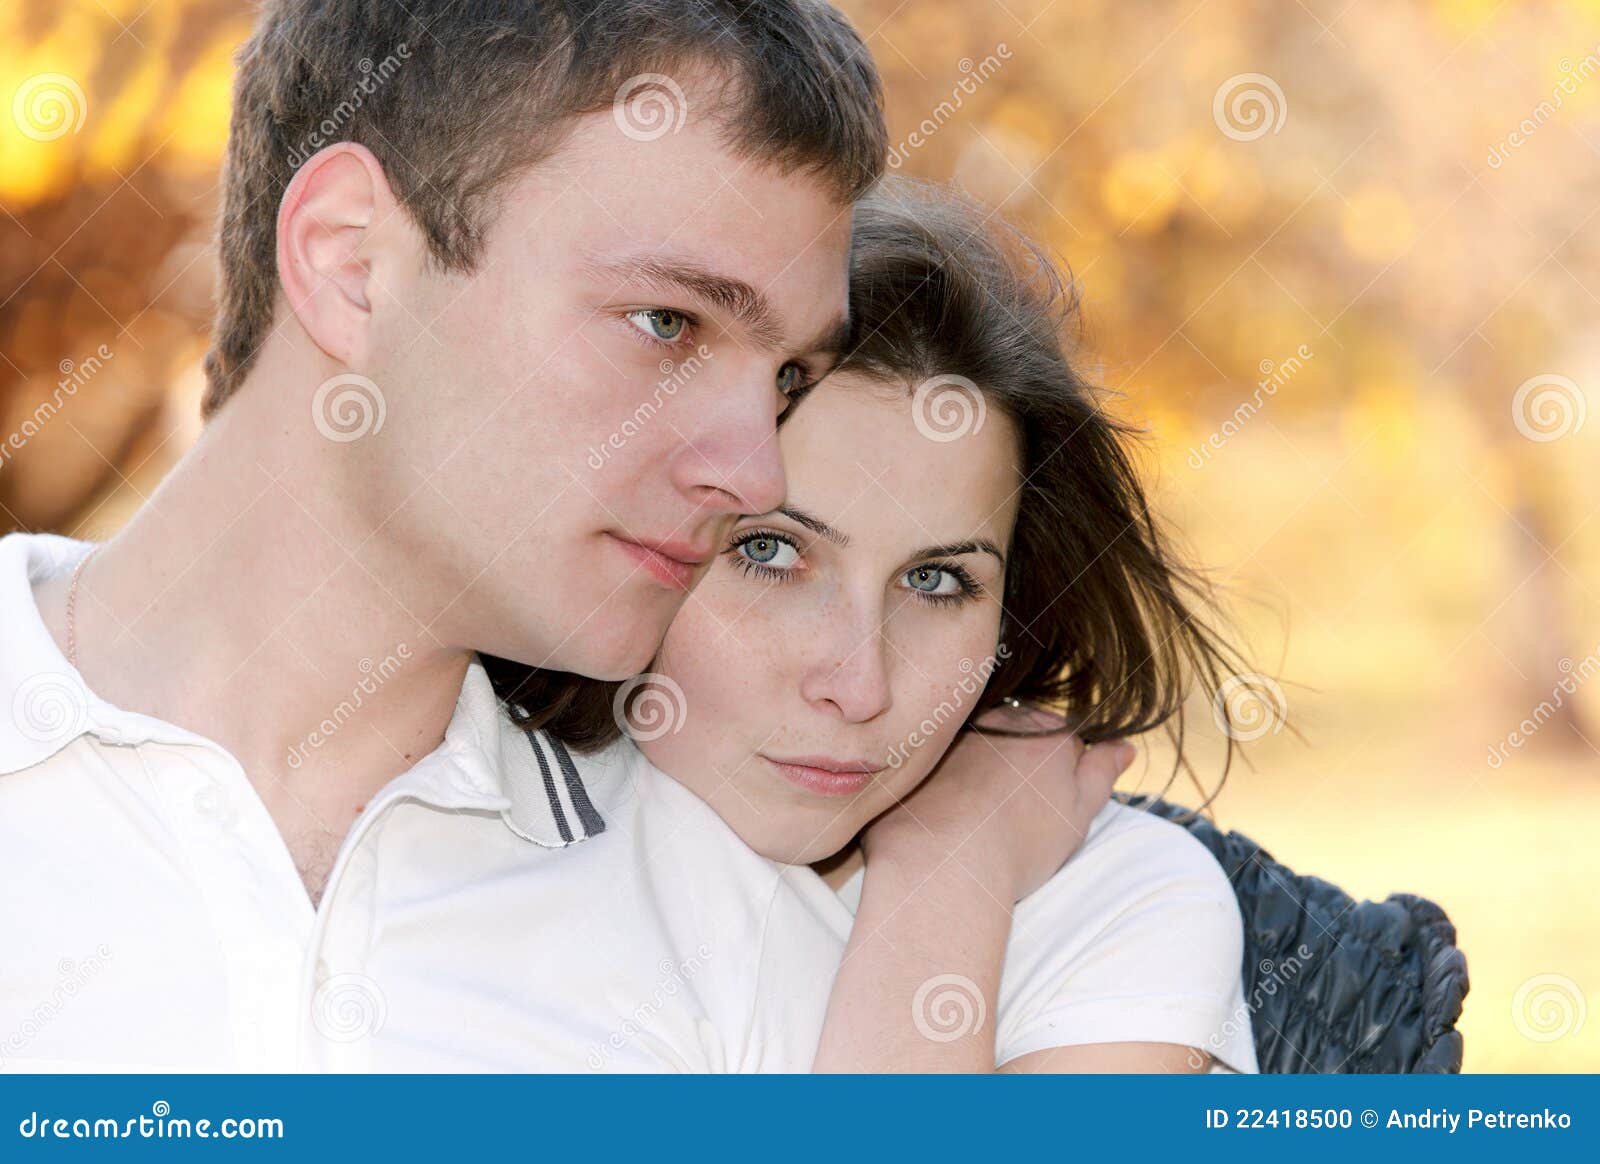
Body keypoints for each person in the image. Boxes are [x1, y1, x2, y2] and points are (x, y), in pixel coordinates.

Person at [0, 0, 918, 1070]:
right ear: (353, 264)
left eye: (788, 378)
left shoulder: (740, 941)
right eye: (668, 323)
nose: (756, 472)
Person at [483, 180, 1262, 1073]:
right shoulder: (458, 820)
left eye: (936, 581)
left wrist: (950, 874)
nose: (861, 685)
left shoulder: (1108, 898)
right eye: (771, 554)